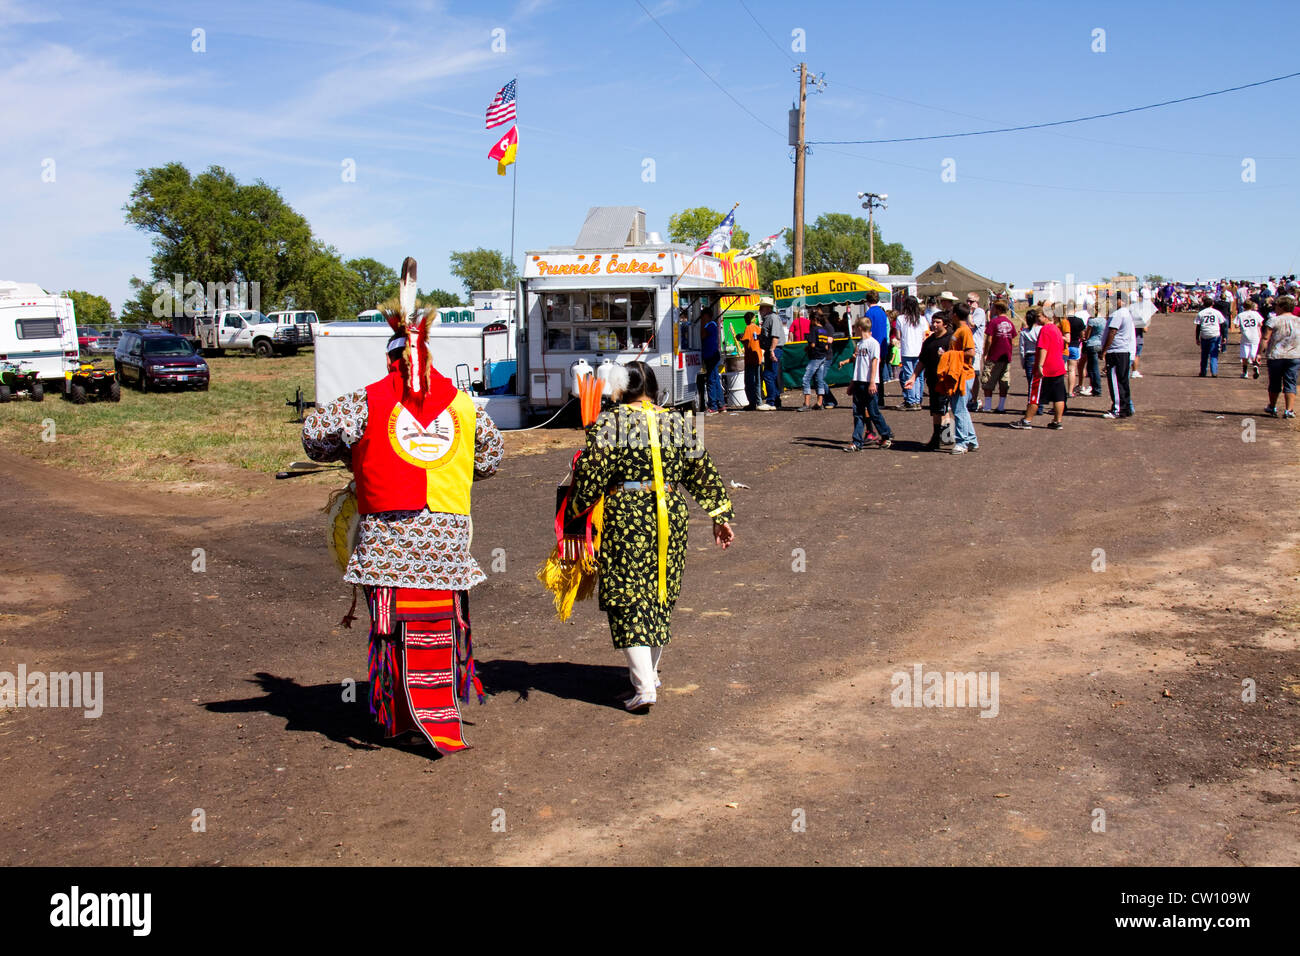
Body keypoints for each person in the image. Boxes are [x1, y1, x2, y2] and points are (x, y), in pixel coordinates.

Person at [302, 274, 504, 754]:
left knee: (390, 630)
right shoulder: (464, 406)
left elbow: (314, 440)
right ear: (428, 358)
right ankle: (434, 707)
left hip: (386, 542)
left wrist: (354, 449)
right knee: (438, 626)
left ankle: (393, 715)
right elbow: (490, 460)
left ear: (390, 358)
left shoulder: (363, 401)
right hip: (445, 542)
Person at [569, 362, 735, 710]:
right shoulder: (676, 421)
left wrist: (573, 509)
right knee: (660, 590)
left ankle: (645, 687)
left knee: (628, 597)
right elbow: (701, 469)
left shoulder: (612, 422)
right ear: (655, 388)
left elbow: (590, 474)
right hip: (671, 515)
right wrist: (719, 515)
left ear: (621, 388)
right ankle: (649, 675)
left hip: (626, 515)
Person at [839, 316, 893, 450]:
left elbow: (875, 362)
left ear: (859, 328)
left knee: (873, 412)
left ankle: (886, 434)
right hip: (859, 382)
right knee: (858, 412)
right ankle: (857, 441)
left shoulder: (873, 343)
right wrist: (852, 383)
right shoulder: (859, 344)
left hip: (869, 382)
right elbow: (857, 365)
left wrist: (873, 382)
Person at [1009, 308, 1067, 431]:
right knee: (1058, 396)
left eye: (1039, 316)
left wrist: (1040, 365)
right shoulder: (1056, 329)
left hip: (1046, 368)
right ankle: (1057, 421)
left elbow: (1042, 348)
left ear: (1046, 316)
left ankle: (1027, 420)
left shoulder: (1045, 329)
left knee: (1034, 394)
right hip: (1058, 366)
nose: (1037, 319)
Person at [903, 311, 952, 451]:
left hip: (947, 380)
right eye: (933, 322)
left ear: (946, 324)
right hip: (932, 380)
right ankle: (939, 437)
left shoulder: (950, 339)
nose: (934, 325)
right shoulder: (929, 341)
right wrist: (912, 378)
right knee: (936, 410)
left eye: (938, 322)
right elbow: (922, 361)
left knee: (944, 409)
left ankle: (946, 437)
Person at [1259, 295, 1300, 418]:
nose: (1275, 308)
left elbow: (1265, 338)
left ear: (1282, 307)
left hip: (1276, 355)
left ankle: (1272, 406)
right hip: (1294, 355)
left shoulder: (1273, 320)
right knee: (1290, 382)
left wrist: (1259, 354)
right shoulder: (1298, 320)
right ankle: (1289, 409)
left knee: (1275, 382)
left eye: (1276, 306)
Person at [946, 303, 979, 454]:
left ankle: (962, 442)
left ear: (955, 315)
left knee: (959, 409)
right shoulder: (958, 330)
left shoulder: (964, 331)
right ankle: (971, 440)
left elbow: (971, 352)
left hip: (963, 374)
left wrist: (949, 355)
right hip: (958, 372)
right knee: (960, 408)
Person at [1101, 291, 1137, 419]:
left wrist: (1104, 350)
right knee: (1122, 381)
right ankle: (1125, 407)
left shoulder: (1118, 314)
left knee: (1115, 381)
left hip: (1116, 351)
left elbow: (1112, 332)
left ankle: (1118, 409)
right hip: (1123, 351)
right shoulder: (1126, 313)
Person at [980, 301, 1016, 412]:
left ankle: (987, 406)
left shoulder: (994, 322)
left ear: (998, 309)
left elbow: (989, 339)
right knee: (1004, 380)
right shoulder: (1010, 323)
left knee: (988, 379)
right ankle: (1001, 406)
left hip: (994, 355)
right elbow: (1013, 340)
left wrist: (985, 353)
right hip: (1006, 356)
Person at [895, 295, 928, 409]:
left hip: (907, 350)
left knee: (909, 375)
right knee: (918, 375)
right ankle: (918, 400)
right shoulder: (922, 319)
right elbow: (924, 336)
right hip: (919, 350)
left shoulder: (901, 319)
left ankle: (911, 400)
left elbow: (899, 336)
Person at [733, 311, 768, 411]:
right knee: (758, 381)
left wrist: (740, 337)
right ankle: (759, 401)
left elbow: (745, 339)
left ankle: (752, 403)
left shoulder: (748, 328)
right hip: (758, 357)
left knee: (749, 382)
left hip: (750, 358)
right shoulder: (758, 328)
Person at [799, 313, 833, 411]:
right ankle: (819, 402)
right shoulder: (824, 330)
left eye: (810, 319)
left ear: (814, 320)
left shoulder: (814, 330)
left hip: (815, 357)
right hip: (823, 356)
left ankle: (807, 403)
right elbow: (826, 346)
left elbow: (813, 344)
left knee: (806, 379)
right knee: (819, 380)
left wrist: (808, 347)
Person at [758, 296, 786, 409]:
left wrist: (771, 350)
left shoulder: (772, 318)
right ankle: (776, 400)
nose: (760, 310)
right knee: (772, 376)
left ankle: (771, 402)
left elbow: (775, 336)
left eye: (761, 308)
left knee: (769, 375)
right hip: (772, 349)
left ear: (768, 308)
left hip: (774, 349)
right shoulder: (769, 318)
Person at [965, 293, 987, 412]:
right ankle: (968, 398)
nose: (969, 304)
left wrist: (969, 313)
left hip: (975, 348)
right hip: (966, 347)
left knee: (974, 374)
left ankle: (974, 399)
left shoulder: (979, 312)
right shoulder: (969, 313)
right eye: (967, 301)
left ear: (977, 302)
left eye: (971, 301)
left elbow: (972, 325)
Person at [700, 306, 724, 414]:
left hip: (711, 355)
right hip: (712, 355)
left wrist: (701, 324)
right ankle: (721, 404)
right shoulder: (713, 324)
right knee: (715, 380)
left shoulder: (710, 325)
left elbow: (702, 335)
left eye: (703, 316)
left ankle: (713, 406)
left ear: (707, 316)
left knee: (711, 380)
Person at [1195, 297, 1225, 377]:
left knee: (1204, 354)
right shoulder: (1217, 312)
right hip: (1215, 333)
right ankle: (1214, 371)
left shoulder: (1201, 313)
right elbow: (1222, 325)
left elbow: (1198, 327)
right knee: (1213, 353)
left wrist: (1197, 338)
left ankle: (1203, 371)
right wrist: (1224, 336)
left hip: (1205, 333)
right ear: (1212, 304)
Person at [1132, 289, 1157, 378]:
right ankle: (1134, 371)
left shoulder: (1131, 309)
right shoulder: (1139, 312)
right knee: (1136, 355)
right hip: (1137, 336)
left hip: (1129, 336)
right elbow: (1144, 329)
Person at [1081, 308, 1107, 396]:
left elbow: (1087, 334)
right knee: (1094, 367)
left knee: (1092, 368)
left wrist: (1085, 336)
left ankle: (1096, 388)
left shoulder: (1092, 321)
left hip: (1092, 344)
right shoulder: (1104, 320)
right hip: (1100, 343)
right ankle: (1096, 388)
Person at [1235, 299, 1263, 379]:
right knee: (1253, 354)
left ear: (1244, 306)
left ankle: (1245, 372)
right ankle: (1255, 365)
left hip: (1245, 336)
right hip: (1255, 336)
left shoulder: (1240, 315)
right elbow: (1260, 324)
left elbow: (1236, 325)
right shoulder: (1256, 314)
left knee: (1245, 356)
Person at [1019, 309, 1042, 397]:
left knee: (1031, 383)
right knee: (1039, 381)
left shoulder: (1024, 333)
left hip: (1029, 356)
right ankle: (1040, 407)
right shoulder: (1041, 329)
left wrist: (1023, 362)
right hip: (1040, 355)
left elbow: (1022, 349)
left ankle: (1031, 403)